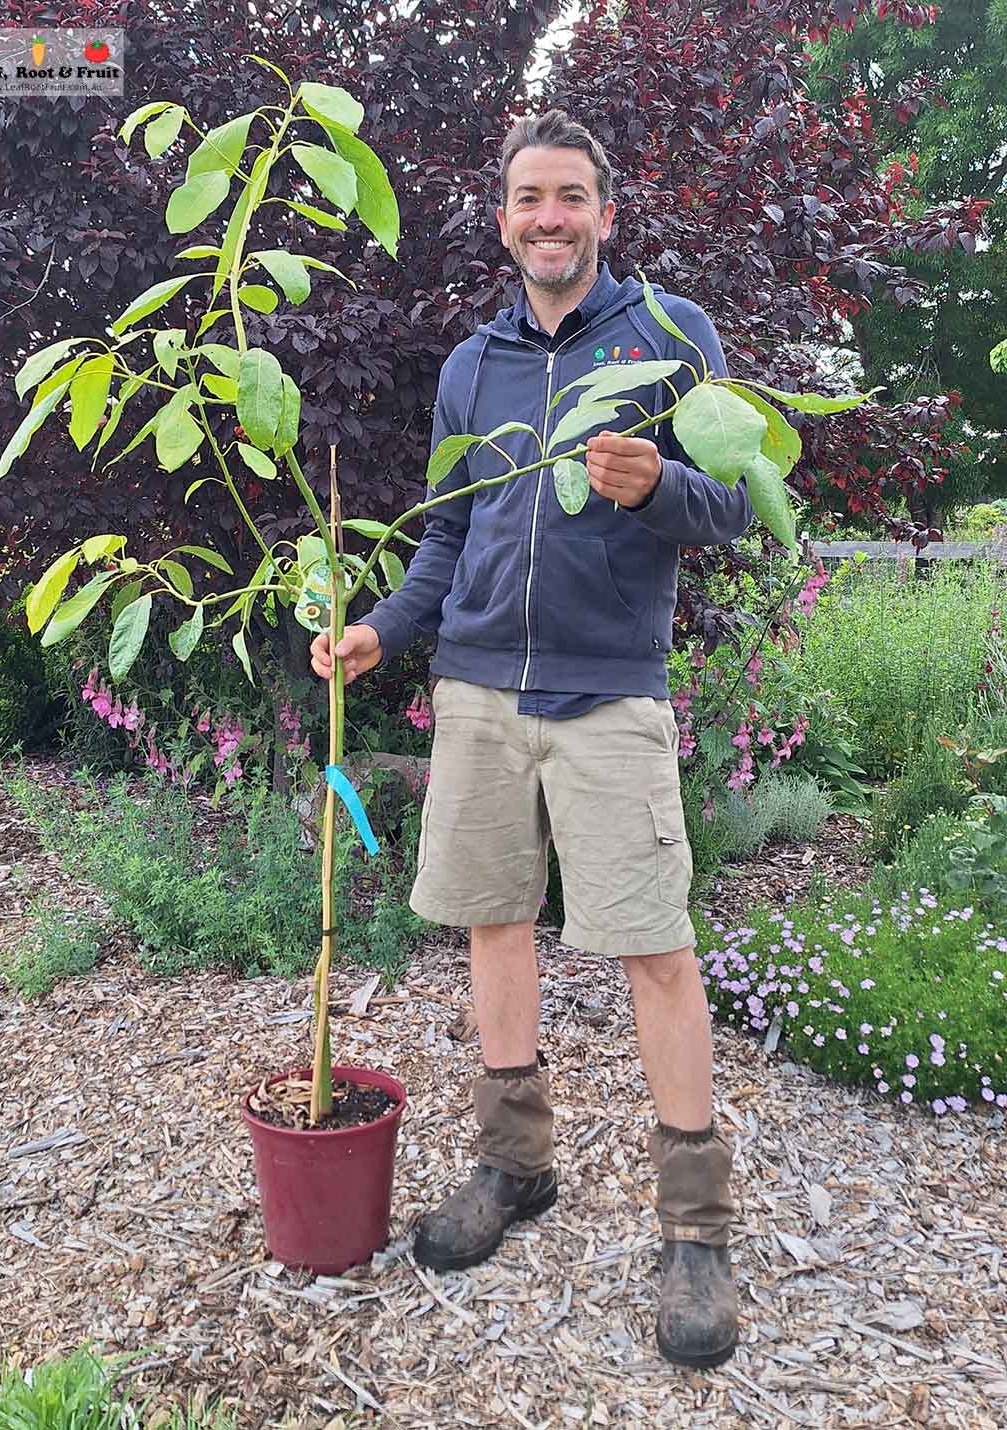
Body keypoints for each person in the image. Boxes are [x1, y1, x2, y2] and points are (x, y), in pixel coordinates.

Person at [311, 109, 751, 1370]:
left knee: (655, 946)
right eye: (527, 200)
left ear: (606, 216)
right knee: (492, 922)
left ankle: (697, 1229)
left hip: (611, 692)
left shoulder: (672, 339)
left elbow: (734, 501)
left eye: (570, 198)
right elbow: (448, 540)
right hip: (478, 693)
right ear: (504, 219)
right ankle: (514, 1165)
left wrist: (654, 485)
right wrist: (381, 634)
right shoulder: (474, 364)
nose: (547, 218)